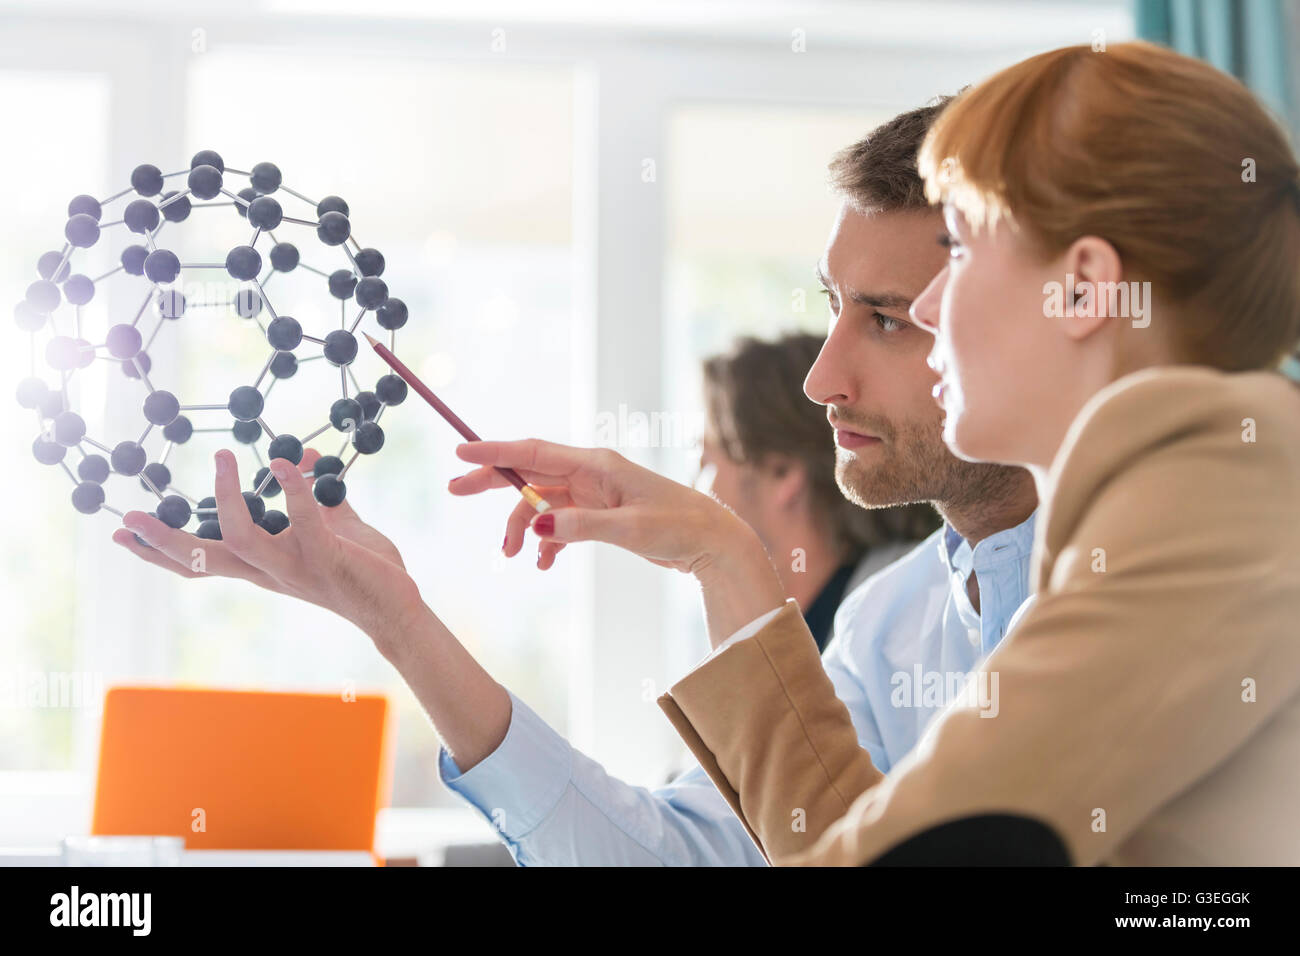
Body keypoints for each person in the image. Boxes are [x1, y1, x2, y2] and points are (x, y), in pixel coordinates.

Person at [112, 100, 1041, 866]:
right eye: (835, 308)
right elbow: (673, 859)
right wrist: (396, 620)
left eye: (885, 320)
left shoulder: (1148, 596)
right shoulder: (892, 622)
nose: (820, 379)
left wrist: (726, 557)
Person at [458, 41, 1300, 865]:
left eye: (962, 252)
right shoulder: (1182, 488)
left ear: (1081, 288)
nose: (936, 301)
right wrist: (723, 555)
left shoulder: (1220, 490)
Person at [697, 334, 938, 651]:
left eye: (706, 463)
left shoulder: (898, 615)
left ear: (781, 472)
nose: (696, 486)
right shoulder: (794, 632)